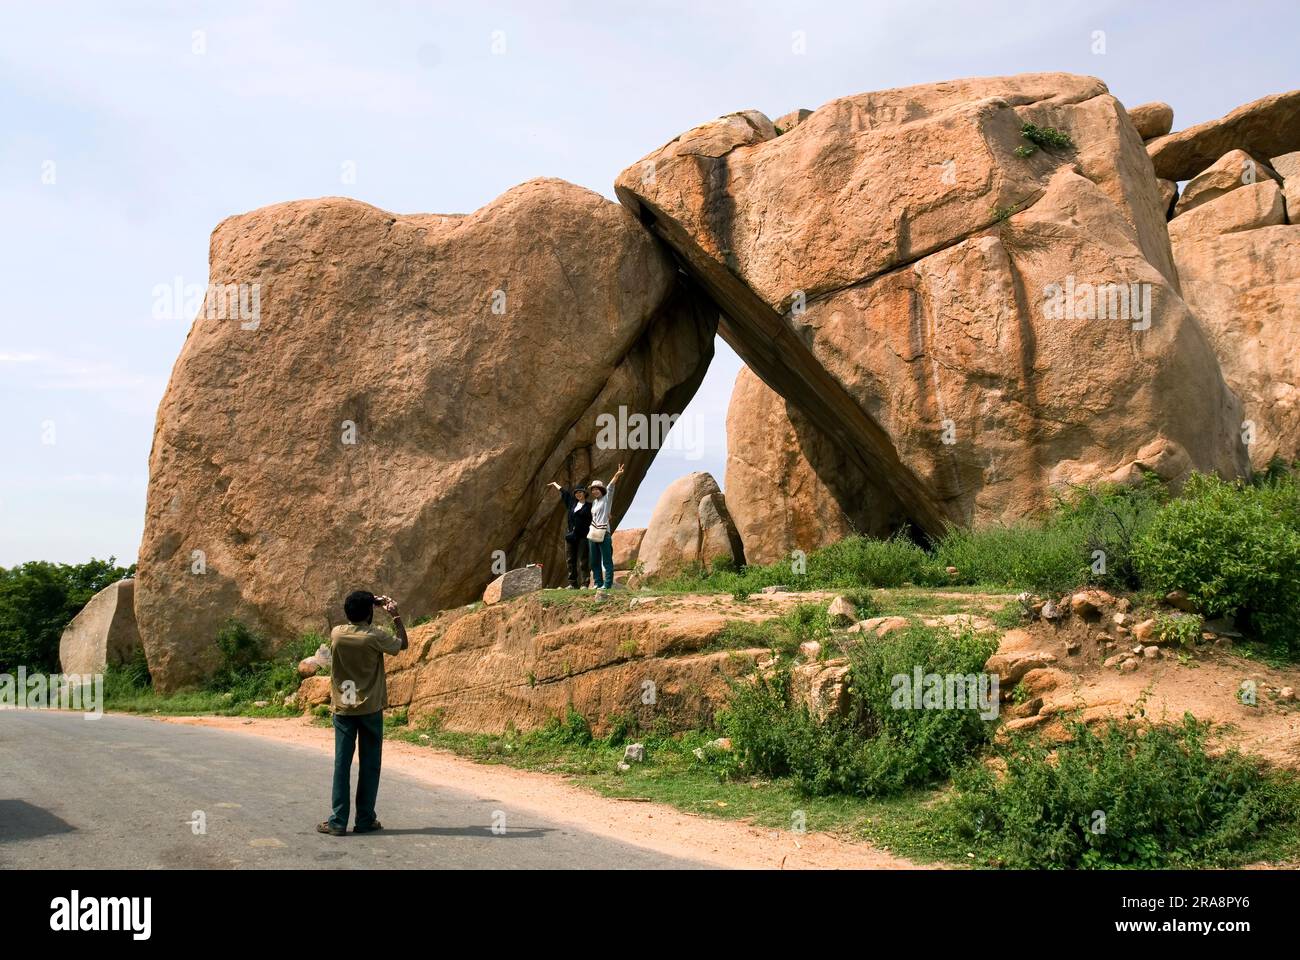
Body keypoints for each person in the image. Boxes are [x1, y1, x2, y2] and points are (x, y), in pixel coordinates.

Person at [317, 590, 408, 837]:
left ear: (347, 612)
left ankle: (337, 822)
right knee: (370, 765)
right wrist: (394, 614)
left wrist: (367, 605)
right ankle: (365, 819)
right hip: (370, 709)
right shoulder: (374, 637)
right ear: (369, 613)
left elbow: (355, 621)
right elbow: (403, 645)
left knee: (342, 765)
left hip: (344, 710)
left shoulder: (337, 634)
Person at [586, 462, 625, 595]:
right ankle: (597, 583)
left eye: (597, 488)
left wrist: (617, 475)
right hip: (593, 533)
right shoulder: (595, 503)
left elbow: (610, 487)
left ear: (601, 490)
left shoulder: (606, 499)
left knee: (607, 559)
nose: (595, 490)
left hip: (604, 532)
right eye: (593, 489)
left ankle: (607, 584)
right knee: (594, 560)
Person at [549, 480, 592, 588]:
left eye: (580, 492)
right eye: (576, 493)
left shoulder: (589, 506)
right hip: (570, 536)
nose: (578, 494)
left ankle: (584, 584)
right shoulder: (572, 504)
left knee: (583, 560)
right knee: (570, 560)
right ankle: (573, 584)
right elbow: (564, 493)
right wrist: (555, 484)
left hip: (583, 536)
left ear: (584, 493)